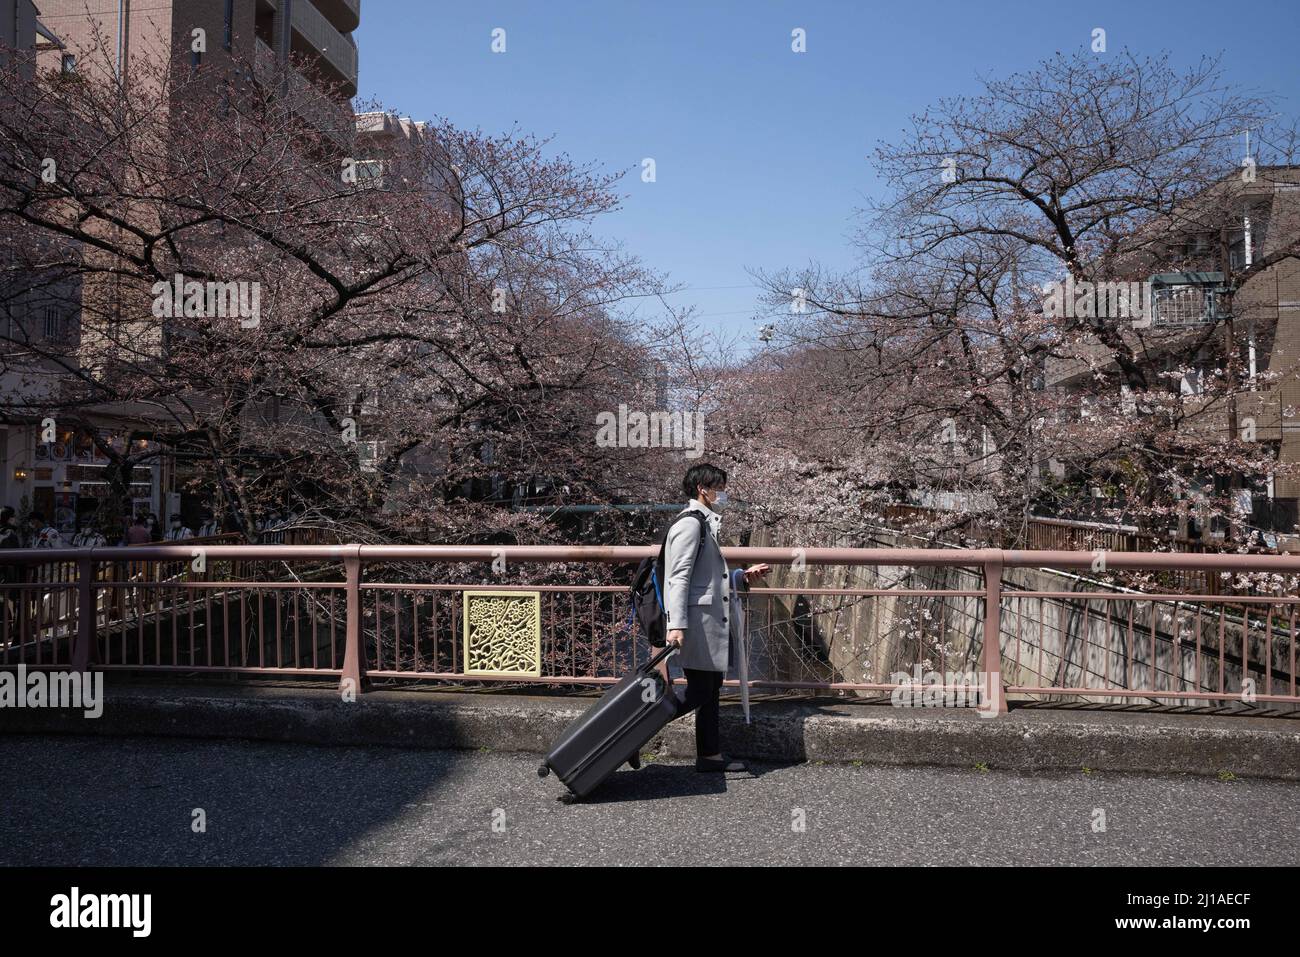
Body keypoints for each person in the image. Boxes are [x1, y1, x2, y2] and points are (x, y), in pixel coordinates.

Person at [662, 463, 768, 773]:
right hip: (696, 625)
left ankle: (709, 755)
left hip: (705, 621)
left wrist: (740, 577)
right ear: (702, 489)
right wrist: (676, 625)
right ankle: (635, 732)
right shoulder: (691, 524)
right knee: (701, 690)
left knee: (710, 688)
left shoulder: (703, 523)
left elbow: (704, 577)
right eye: (717, 487)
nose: (721, 493)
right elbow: (678, 578)